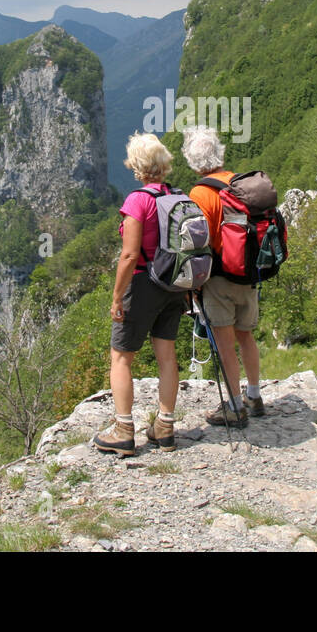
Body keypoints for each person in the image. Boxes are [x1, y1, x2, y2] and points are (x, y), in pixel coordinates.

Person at [92, 132, 186, 457]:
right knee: (167, 357)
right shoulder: (178, 196)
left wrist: (117, 296)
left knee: (120, 357)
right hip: (174, 286)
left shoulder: (138, 201)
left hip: (143, 284)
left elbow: (129, 256)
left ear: (136, 165)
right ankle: (165, 427)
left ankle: (123, 430)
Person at [184, 126, 264, 427]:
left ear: (193, 162)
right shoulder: (239, 183)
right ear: (220, 152)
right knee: (246, 336)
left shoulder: (200, 193)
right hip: (248, 273)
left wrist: (191, 285)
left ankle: (233, 405)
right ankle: (254, 396)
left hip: (218, 280)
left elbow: (197, 242)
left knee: (224, 342)